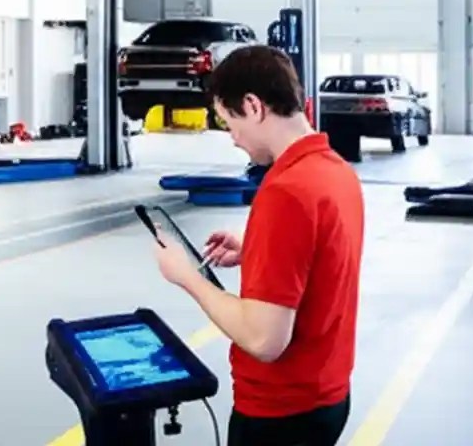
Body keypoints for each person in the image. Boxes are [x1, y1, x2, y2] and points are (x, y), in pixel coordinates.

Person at [152, 45, 365, 446]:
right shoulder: (335, 172)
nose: (232, 138)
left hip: (279, 415)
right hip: (328, 399)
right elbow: (320, 260)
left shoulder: (284, 192)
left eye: (229, 121)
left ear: (253, 106)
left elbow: (264, 340)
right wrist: (255, 250)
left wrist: (187, 277)